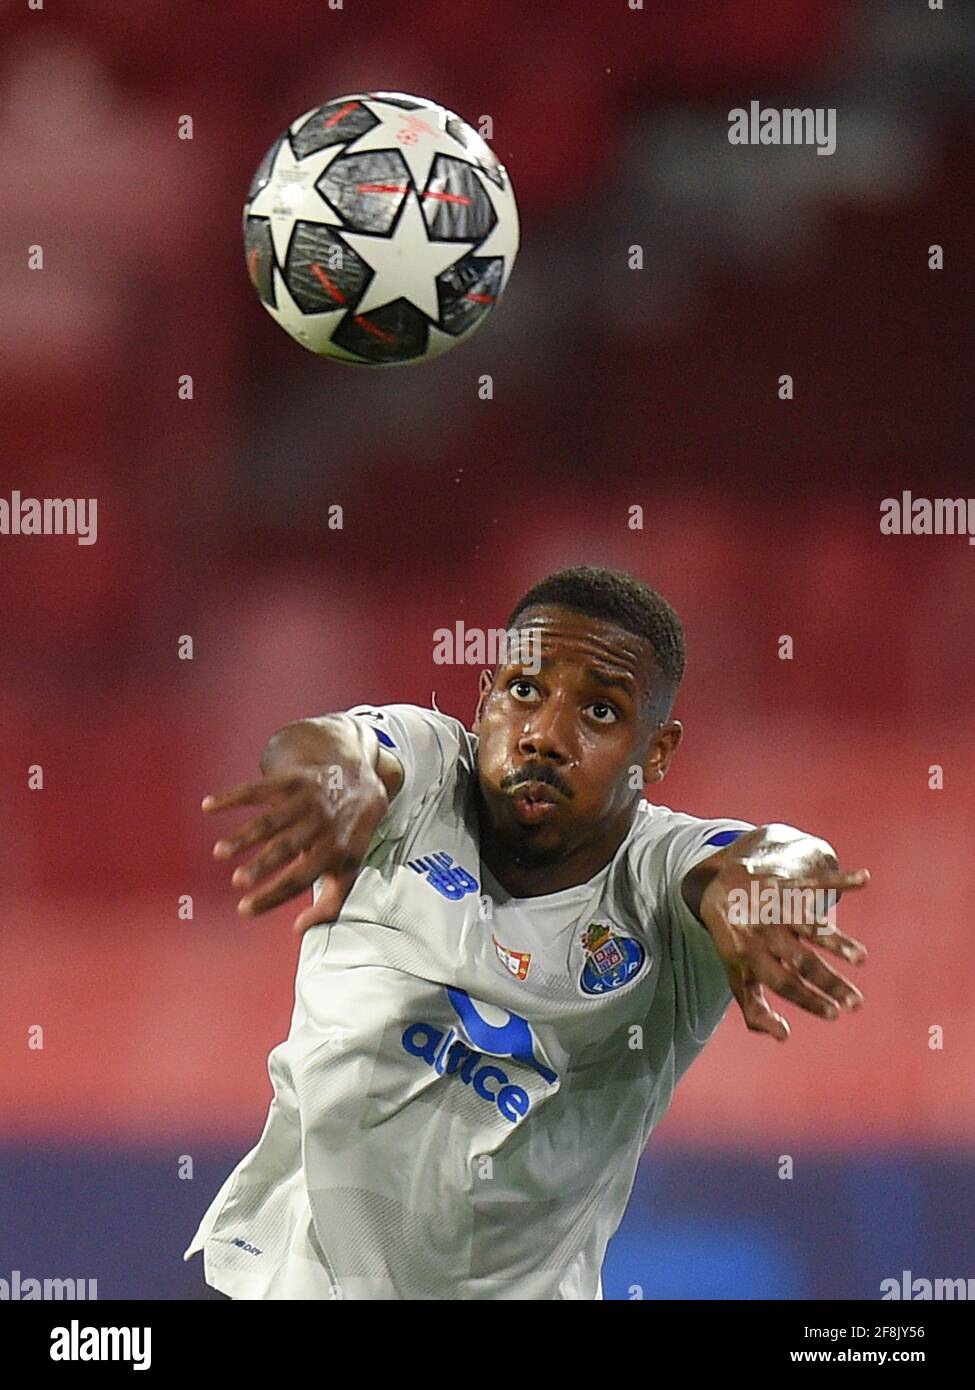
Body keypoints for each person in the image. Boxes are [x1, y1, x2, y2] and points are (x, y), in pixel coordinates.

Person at [184, 565, 869, 1300]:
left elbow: (785, 855)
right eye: (523, 691)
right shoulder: (418, 779)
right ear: (483, 699)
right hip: (282, 1281)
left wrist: (762, 888)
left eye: (600, 713)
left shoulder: (658, 877)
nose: (544, 735)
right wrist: (333, 775)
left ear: (657, 752)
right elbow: (326, 743)